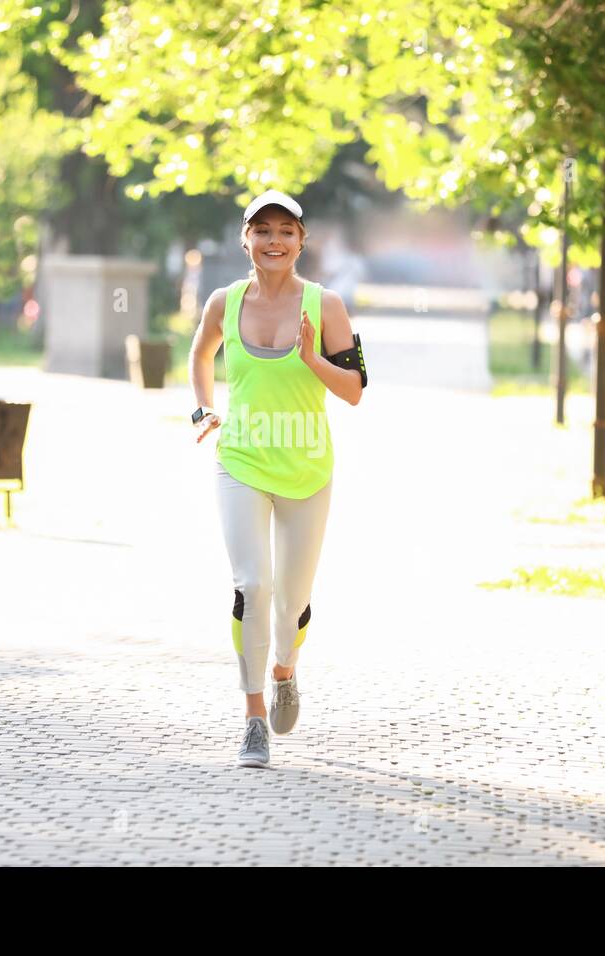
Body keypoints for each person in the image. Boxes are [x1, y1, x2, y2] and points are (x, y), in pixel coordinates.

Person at [188, 189, 367, 768]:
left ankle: (285, 669)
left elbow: (355, 391)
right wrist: (203, 408)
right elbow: (199, 355)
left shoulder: (327, 305)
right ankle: (253, 716)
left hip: (307, 468)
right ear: (246, 240)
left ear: (302, 241)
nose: (274, 241)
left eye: (285, 231)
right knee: (252, 586)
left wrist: (313, 359)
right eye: (262, 230)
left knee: (291, 602)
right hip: (240, 461)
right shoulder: (224, 301)